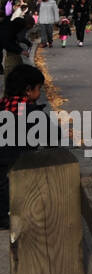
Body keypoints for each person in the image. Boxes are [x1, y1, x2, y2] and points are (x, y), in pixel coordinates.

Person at [0, 63, 47, 228]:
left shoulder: (3, 106)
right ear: (28, 90)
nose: (39, 93)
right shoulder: (31, 115)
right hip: (13, 194)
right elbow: (53, 139)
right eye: (38, 88)